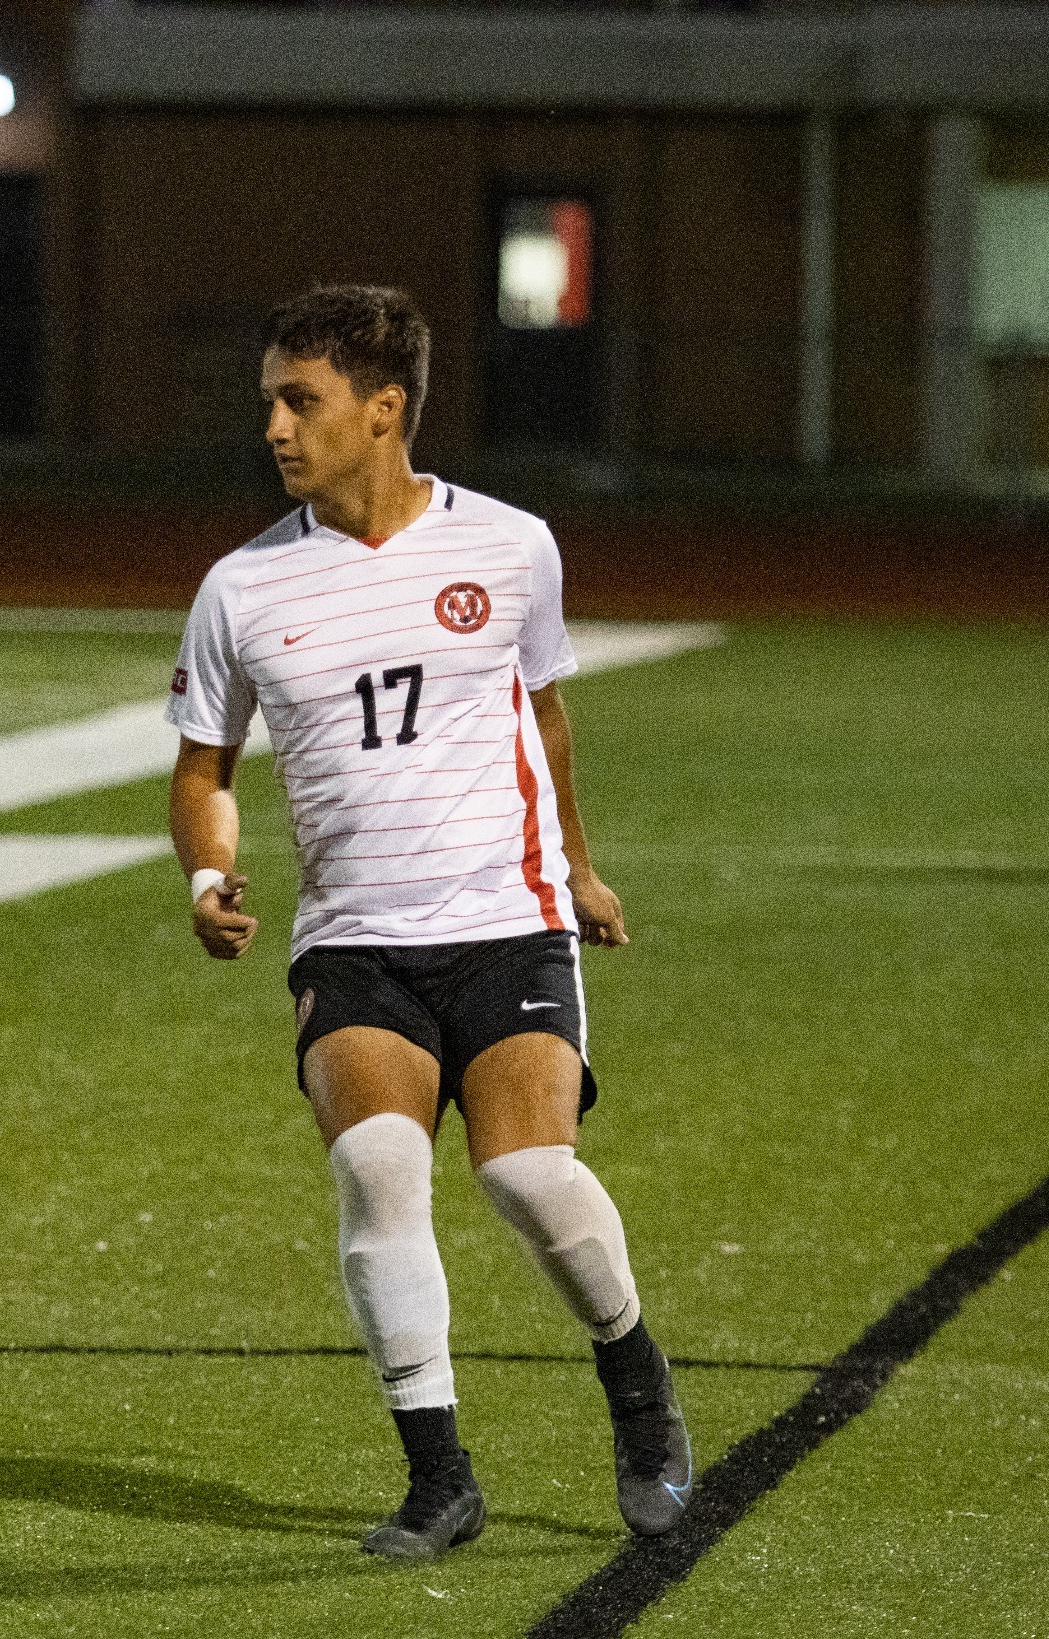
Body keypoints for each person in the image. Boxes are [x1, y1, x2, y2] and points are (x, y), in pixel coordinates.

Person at [163, 285, 688, 1563]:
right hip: (352, 940)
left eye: (304, 401)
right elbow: (203, 768)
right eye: (270, 403)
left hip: (508, 920)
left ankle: (638, 1389)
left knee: (524, 1172)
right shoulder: (241, 586)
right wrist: (206, 878)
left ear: (383, 408)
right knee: (376, 1168)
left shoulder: (510, 547)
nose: (277, 428)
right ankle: (437, 1476)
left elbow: (544, 719)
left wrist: (580, 867)